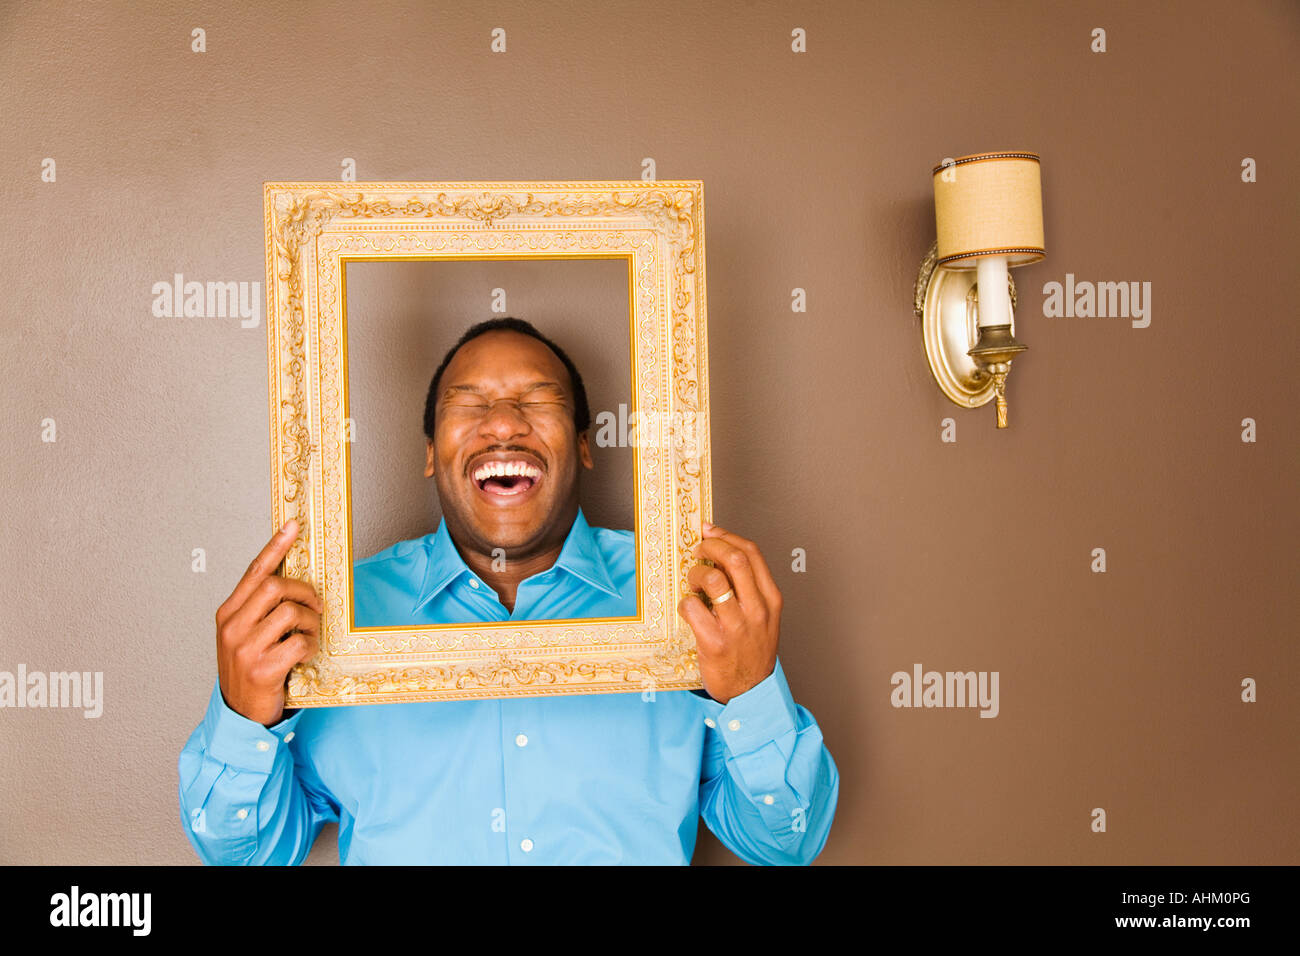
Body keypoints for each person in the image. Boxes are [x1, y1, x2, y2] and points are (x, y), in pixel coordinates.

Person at [178, 317, 839, 864]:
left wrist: (752, 695)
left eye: (537, 400)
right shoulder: (328, 616)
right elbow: (244, 854)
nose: (502, 423)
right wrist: (243, 718)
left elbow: (784, 841)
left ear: (583, 446)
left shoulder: (686, 600)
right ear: (432, 452)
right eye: (468, 403)